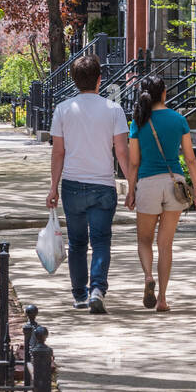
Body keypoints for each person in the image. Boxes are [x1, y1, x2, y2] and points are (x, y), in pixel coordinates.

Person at [47, 53, 129, 314]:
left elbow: (58, 152)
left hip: (72, 184)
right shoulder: (113, 110)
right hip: (103, 185)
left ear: (73, 80)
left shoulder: (62, 110)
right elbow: (121, 152)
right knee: (102, 240)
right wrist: (132, 184)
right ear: (99, 80)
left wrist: (53, 187)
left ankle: (80, 294)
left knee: (78, 242)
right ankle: (97, 289)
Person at [125, 75, 196, 312]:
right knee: (165, 245)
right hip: (174, 184)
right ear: (164, 93)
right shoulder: (179, 119)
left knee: (144, 240)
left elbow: (134, 162)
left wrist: (130, 190)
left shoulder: (138, 121)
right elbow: (190, 158)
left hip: (148, 183)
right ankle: (162, 299)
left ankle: (148, 276)